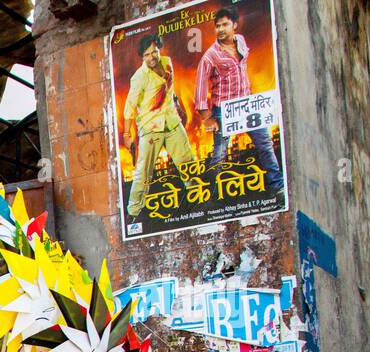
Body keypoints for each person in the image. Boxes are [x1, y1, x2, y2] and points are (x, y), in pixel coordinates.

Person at [194, 6, 285, 191]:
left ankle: (277, 185)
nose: (220, 29)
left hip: (246, 105)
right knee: (219, 155)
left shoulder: (241, 41)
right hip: (223, 110)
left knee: (265, 143)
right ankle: (208, 195)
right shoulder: (210, 56)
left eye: (225, 25)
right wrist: (207, 117)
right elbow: (200, 90)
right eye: (217, 26)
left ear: (234, 25)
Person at [122, 33, 200, 221]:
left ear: (159, 50)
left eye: (154, 52)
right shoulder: (139, 77)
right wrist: (127, 133)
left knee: (187, 162)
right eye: (147, 54)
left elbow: (170, 91)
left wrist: (178, 107)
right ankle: (133, 212)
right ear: (142, 56)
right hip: (151, 128)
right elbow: (129, 106)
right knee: (143, 173)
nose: (152, 57)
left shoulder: (167, 63)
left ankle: (197, 197)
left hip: (172, 122)